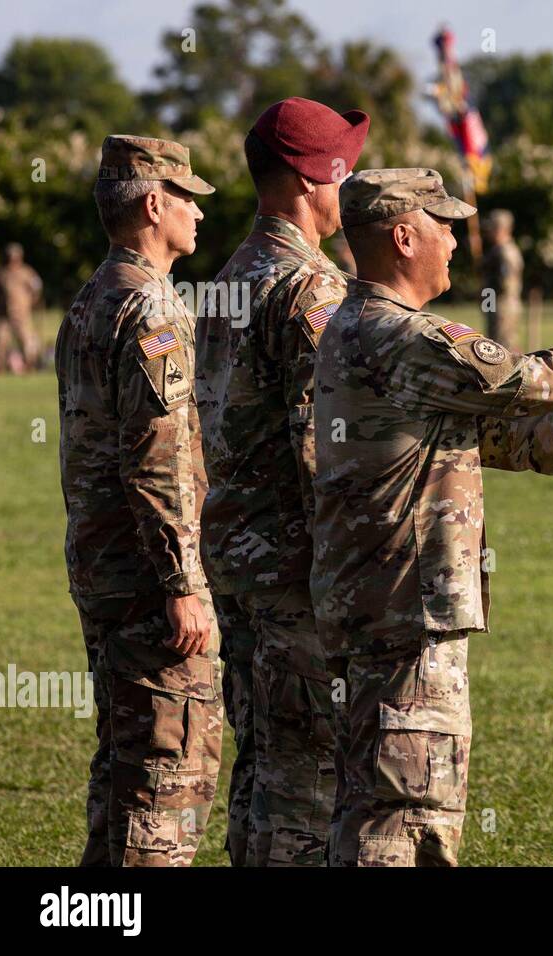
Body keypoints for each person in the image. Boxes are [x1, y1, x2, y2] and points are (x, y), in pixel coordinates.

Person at [311, 168, 553, 866]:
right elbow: (535, 380)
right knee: (403, 822)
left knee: (384, 807)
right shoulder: (400, 335)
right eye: (443, 225)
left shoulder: (361, 327)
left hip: (386, 608)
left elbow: (500, 437)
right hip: (402, 614)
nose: (456, 240)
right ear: (403, 236)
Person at [195, 96, 369, 866]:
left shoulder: (229, 280)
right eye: (345, 172)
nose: (352, 187)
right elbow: (320, 447)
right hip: (299, 574)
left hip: (237, 561)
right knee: (311, 787)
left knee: (262, 770)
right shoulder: (312, 291)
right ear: (309, 179)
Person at [56, 135, 221, 866]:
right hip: (148, 581)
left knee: (123, 773)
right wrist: (182, 581)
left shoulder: (93, 297)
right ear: (154, 204)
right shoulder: (151, 308)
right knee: (165, 781)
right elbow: (156, 461)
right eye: (188, 198)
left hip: (105, 564)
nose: (200, 215)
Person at [0, 242, 44, 373]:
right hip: (4, 314)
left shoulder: (27, 272)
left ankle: (30, 366)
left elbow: (37, 288)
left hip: (21, 313)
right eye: (10, 256)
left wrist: (31, 302)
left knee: (26, 340)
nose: (12, 259)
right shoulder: (0, 273)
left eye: (15, 256)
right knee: (0, 341)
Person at [480, 208, 523, 349]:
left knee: (503, 346)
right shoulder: (495, 250)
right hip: (493, 302)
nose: (487, 233)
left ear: (501, 229)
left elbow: (506, 284)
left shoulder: (506, 252)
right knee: (493, 340)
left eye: (491, 228)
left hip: (503, 305)